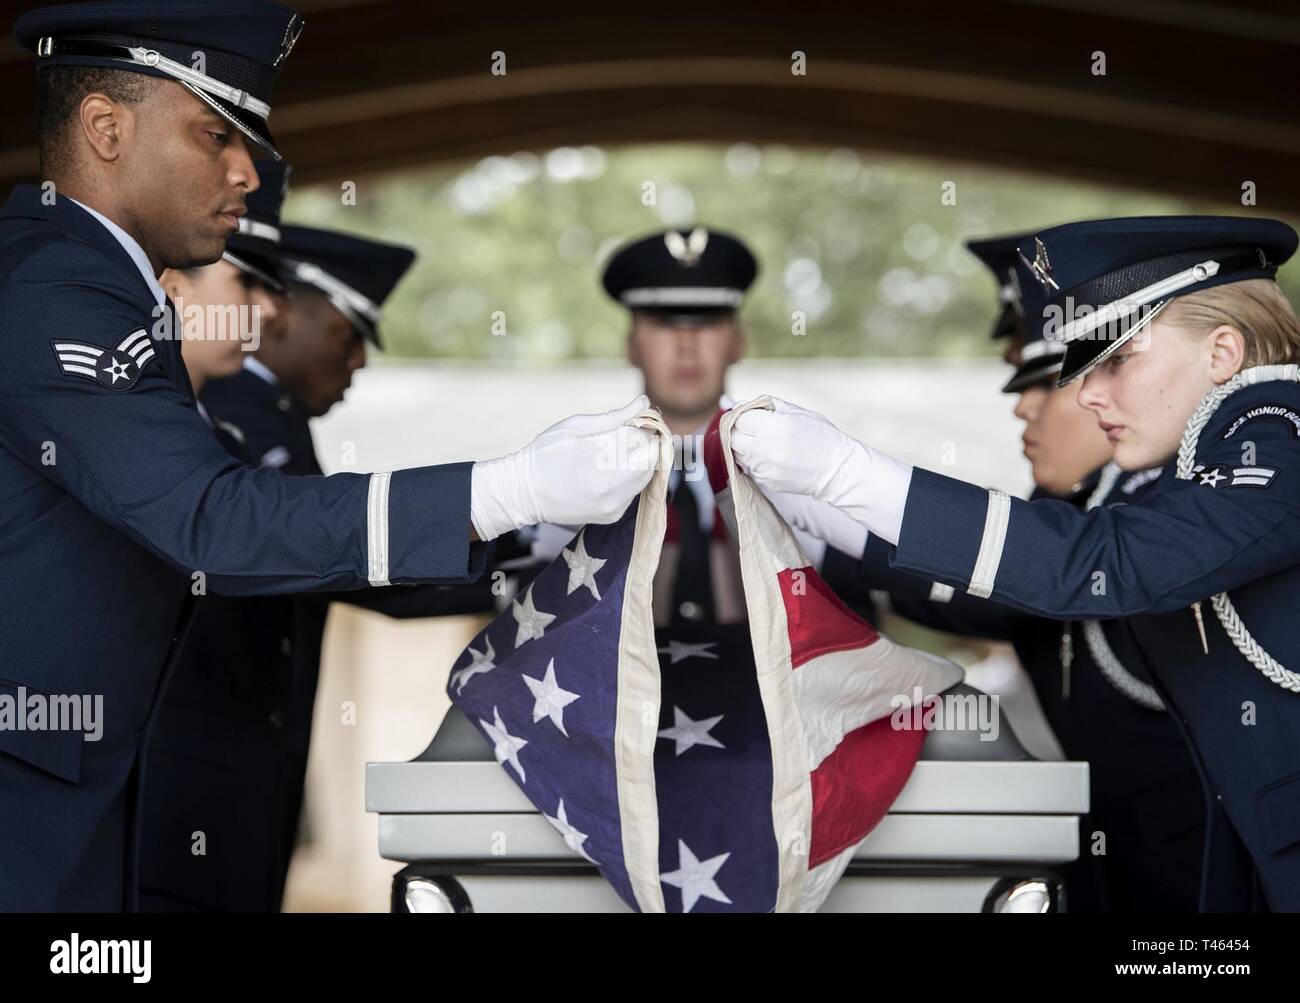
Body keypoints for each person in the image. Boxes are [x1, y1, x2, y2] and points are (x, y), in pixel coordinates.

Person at [0, 1, 654, 911]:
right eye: (216, 133)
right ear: (105, 128)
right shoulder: (53, 284)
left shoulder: (96, 282)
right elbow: (213, 521)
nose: (246, 170)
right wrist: (509, 489)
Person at [732, 215, 1300, 911]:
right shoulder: (1222, 459)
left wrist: (851, 478)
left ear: (1222, 353)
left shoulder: (1280, 441)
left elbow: (1103, 560)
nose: (1088, 393)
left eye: (1117, 359)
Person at [141, 197, 509, 911]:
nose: (265, 313)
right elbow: (323, 547)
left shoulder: (259, 415)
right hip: (190, 777)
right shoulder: (219, 413)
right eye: (346, 330)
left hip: (242, 772)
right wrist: (509, 538)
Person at [602, 226, 755, 627]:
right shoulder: (580, 489)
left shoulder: (793, 488)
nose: (687, 343)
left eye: (707, 320)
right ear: (630, 345)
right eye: (663, 321)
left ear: (738, 342)